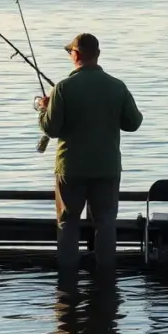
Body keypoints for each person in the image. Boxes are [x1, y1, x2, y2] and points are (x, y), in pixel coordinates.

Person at [37, 33, 143, 271]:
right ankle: (105, 275)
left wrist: (43, 109)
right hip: (106, 167)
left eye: (70, 53)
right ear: (97, 54)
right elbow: (133, 123)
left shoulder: (63, 88)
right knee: (105, 223)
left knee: (68, 222)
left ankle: (67, 277)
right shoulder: (117, 86)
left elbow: (51, 129)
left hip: (71, 168)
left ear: (76, 55)